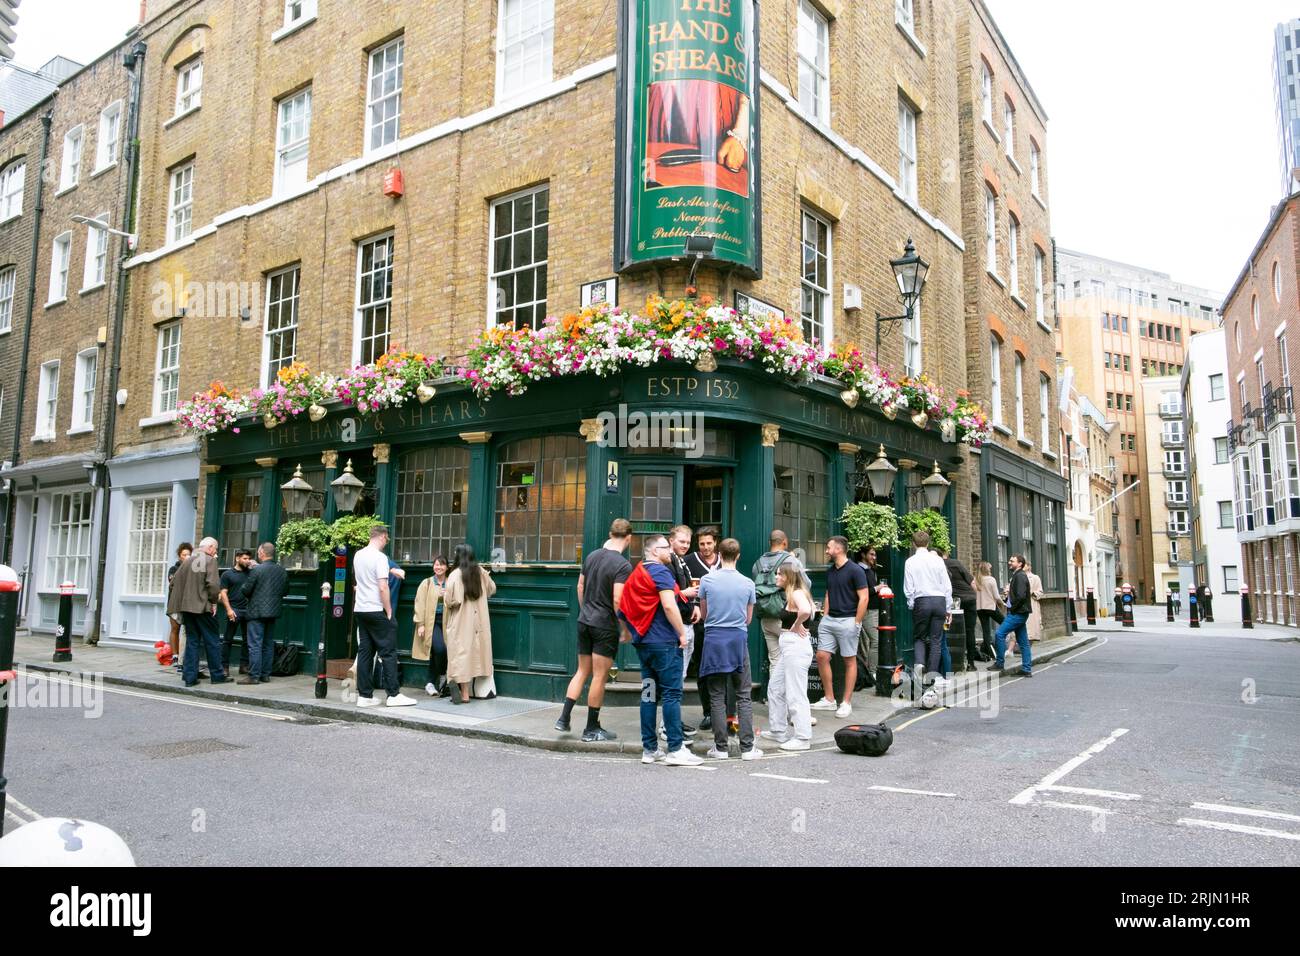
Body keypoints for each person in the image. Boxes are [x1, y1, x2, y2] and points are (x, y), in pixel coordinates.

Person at [618, 534, 702, 766]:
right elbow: (668, 604)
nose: (671, 551)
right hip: (665, 643)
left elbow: (622, 606)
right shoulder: (661, 572)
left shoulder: (637, 573)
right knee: (672, 695)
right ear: (655, 551)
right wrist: (682, 633)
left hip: (644, 644)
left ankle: (650, 749)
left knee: (648, 695)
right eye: (666, 547)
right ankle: (675, 748)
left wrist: (627, 632)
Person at [557, 519, 632, 741]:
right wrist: (624, 627)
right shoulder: (622, 565)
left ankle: (563, 718)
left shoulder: (591, 556)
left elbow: (580, 586)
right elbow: (618, 599)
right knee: (599, 677)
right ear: (629, 538)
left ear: (610, 534)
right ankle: (591, 728)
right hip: (604, 625)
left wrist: (586, 610)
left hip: (585, 621)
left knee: (582, 671)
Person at [697, 537, 760, 760]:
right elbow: (748, 618)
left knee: (716, 696)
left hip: (714, 639)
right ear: (738, 556)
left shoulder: (707, 580)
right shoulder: (748, 584)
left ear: (719, 555)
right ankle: (748, 748)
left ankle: (720, 748)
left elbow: (703, 614)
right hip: (737, 640)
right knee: (743, 694)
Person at [353, 525, 418, 708]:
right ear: (382, 536)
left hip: (361, 609)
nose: (386, 543)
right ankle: (393, 695)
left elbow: (365, 577)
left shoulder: (358, 555)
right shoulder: (381, 558)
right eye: (386, 539)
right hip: (376, 609)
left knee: (365, 652)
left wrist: (391, 570)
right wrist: (388, 610)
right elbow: (382, 587)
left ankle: (364, 696)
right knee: (388, 652)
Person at [760, 562, 815, 751]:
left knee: (795, 693)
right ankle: (778, 730)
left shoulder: (797, 593)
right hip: (789, 647)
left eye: (779, 574)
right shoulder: (793, 593)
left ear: (788, 577)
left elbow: (806, 611)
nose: (776, 577)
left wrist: (798, 624)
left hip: (795, 647)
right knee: (775, 688)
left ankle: (802, 737)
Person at [813, 535, 868, 718]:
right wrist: (825, 617)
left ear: (838, 549)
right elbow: (828, 594)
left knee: (849, 661)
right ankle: (829, 699)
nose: (826, 551)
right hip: (830, 620)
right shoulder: (831, 571)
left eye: (829, 547)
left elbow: (864, 597)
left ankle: (846, 702)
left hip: (848, 621)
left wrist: (857, 622)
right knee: (821, 656)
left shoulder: (855, 570)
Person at [165, 537, 228, 688]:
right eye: (215, 549)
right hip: (203, 608)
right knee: (212, 641)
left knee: (192, 642)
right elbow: (213, 585)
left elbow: (173, 583)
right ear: (211, 547)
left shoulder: (187, 561)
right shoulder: (209, 560)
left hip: (186, 608)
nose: (215, 552)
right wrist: (213, 602)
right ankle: (217, 675)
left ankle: (189, 677)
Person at [443, 543, 497, 705]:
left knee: (460, 654)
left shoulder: (455, 575)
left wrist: (445, 595)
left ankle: (464, 692)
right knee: (475, 653)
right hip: (479, 622)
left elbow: (453, 600)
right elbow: (492, 589)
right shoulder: (480, 572)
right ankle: (472, 689)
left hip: (460, 622)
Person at [684, 526, 725, 729]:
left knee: (723, 668)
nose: (706, 547)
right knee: (703, 668)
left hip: (722, 623)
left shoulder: (724, 560)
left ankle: (724, 712)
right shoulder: (689, 561)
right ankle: (708, 712)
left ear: (715, 542)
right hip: (700, 623)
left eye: (709, 543)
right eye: (702, 544)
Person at [751, 530, 809, 672]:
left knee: (775, 659)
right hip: (786, 616)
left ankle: (775, 694)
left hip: (765, 616)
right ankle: (789, 693)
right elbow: (806, 584)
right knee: (792, 659)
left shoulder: (757, 564)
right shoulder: (791, 561)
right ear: (785, 542)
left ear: (770, 543)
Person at [663, 525, 700, 741]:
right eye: (681, 542)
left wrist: (693, 603)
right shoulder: (668, 562)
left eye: (687, 542)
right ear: (671, 541)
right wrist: (684, 594)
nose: (685, 545)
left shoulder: (681, 560)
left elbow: (684, 591)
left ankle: (673, 721)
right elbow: (666, 595)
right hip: (677, 627)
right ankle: (667, 727)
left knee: (681, 677)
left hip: (686, 622)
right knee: (674, 679)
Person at [903, 530, 952, 687]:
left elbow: (909, 587)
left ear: (913, 543)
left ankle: (919, 669)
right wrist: (948, 607)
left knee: (920, 637)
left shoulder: (910, 561)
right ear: (928, 543)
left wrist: (911, 604)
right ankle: (934, 677)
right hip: (939, 601)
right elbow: (946, 584)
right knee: (936, 640)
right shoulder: (937, 560)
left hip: (921, 600)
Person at [239, 542, 289, 685]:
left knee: (255, 644)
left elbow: (246, 590)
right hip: (273, 612)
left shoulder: (257, 570)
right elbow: (286, 591)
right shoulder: (281, 570)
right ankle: (265, 675)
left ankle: (254, 676)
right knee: (268, 644)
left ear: (261, 553)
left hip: (256, 612)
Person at [413, 555, 450, 697]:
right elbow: (419, 603)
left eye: (441, 565)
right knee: (439, 649)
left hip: (448, 622)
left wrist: (448, 595)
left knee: (439, 651)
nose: (438, 567)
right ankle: (442, 675)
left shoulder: (451, 582)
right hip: (431, 622)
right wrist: (420, 624)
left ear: (447, 567)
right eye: (436, 564)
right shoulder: (427, 583)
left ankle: (430, 683)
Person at [938, 546, 979, 672]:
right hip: (969, 598)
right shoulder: (956, 563)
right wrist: (974, 596)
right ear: (946, 553)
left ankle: (954, 662)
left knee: (951, 630)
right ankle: (971, 663)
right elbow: (972, 582)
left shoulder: (937, 565)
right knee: (970, 630)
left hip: (955, 601)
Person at [993, 555, 1033, 676]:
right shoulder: (1017, 575)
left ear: (1020, 564)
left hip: (1017, 613)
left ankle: (999, 663)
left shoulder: (1020, 576)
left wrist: (1012, 608)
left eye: (1012, 561)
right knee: (1023, 642)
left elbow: (1021, 596)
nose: (1009, 562)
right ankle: (1026, 669)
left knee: (999, 634)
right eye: (1010, 560)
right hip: (1020, 612)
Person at [219, 549, 255, 675]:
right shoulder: (227, 574)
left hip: (248, 610)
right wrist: (229, 610)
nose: (247, 561)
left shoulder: (251, 573)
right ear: (237, 558)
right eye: (245, 558)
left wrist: (254, 565)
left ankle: (243, 666)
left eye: (248, 558)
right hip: (234, 610)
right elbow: (223, 593)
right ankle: (224, 667)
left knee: (247, 640)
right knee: (228, 639)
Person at [854, 547, 882, 688]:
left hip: (873, 610)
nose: (874, 557)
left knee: (867, 642)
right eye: (871, 554)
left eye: (875, 554)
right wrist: (878, 588)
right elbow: (861, 592)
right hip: (867, 611)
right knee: (875, 641)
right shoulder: (860, 571)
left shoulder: (869, 570)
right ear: (863, 555)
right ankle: (873, 672)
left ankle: (869, 671)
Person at [166, 542, 193, 671]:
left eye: (189, 554)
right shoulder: (174, 568)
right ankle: (175, 656)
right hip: (174, 603)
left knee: (186, 632)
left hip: (187, 604)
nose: (186, 556)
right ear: (179, 556)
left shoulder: (194, 568)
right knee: (175, 629)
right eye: (184, 555)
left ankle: (183, 657)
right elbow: (172, 581)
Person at [974, 561, 1005, 660]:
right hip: (990, 607)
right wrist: (1002, 603)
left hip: (979, 608)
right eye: (989, 568)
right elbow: (996, 596)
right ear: (987, 569)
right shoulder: (991, 580)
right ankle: (999, 646)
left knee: (986, 631)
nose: (990, 570)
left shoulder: (976, 580)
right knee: (1005, 623)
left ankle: (988, 651)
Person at [1024, 560, 1044, 643]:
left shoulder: (1035, 577)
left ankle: (1027, 647)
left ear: (1028, 566)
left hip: (1032, 604)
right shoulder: (1017, 576)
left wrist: (1032, 593)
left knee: (1031, 630)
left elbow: (1040, 592)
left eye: (1024, 565)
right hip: (1021, 605)